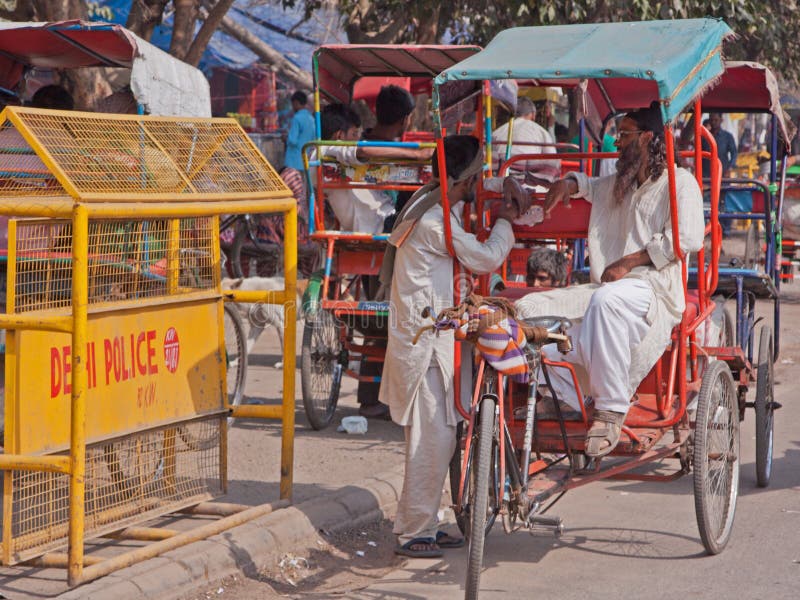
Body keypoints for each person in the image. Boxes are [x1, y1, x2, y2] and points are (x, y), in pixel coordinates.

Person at [516, 101, 704, 458]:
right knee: (526, 309)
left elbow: (688, 239)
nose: (617, 143)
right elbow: (587, 185)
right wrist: (568, 184)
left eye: (625, 135)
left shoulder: (681, 183)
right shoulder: (621, 182)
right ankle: (571, 398)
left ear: (648, 138)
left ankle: (611, 409)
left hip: (654, 290)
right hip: (609, 288)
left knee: (607, 301)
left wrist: (628, 262)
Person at [379, 135, 531, 558]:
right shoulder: (436, 222)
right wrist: (505, 221)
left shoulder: (427, 201)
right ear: (466, 178)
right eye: (478, 176)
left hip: (429, 338)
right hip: (425, 343)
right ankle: (413, 531)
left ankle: (428, 520)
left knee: (440, 436)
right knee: (432, 439)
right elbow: (484, 258)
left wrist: (504, 188)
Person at [492, 97, 560, 181]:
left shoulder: (498, 131)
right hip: (529, 182)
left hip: (501, 180)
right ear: (533, 115)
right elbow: (551, 158)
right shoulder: (541, 132)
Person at [284, 91, 316, 172]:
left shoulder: (297, 118)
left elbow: (292, 140)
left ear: (296, 103)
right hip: (306, 161)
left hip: (294, 162)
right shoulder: (311, 119)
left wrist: (285, 138)